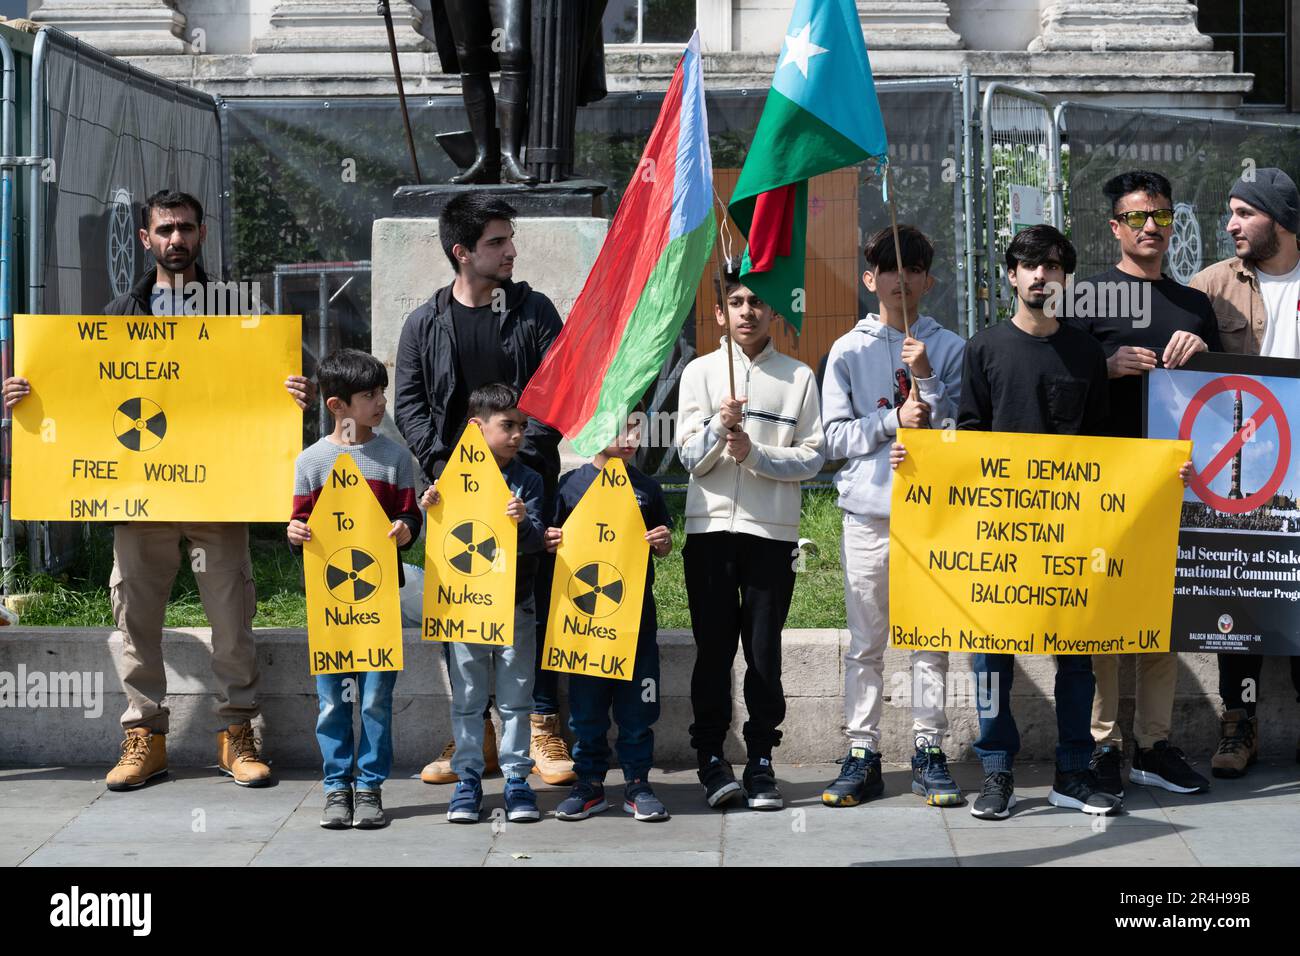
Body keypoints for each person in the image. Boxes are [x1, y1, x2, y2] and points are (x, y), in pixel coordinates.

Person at [3, 188, 314, 791]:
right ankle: (144, 736)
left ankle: (238, 734)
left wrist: (293, 392)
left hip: (220, 495)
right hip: (137, 495)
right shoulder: (117, 316)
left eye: (187, 229)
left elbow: (283, 381)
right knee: (136, 623)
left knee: (231, 620)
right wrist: (26, 397)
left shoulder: (241, 312)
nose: (177, 240)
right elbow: (85, 396)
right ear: (145, 239)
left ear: (202, 234)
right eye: (165, 230)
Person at [394, 192, 575, 786]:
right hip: (453, 496)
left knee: (532, 600)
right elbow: (411, 403)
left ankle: (542, 725)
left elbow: (559, 389)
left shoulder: (534, 312)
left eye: (508, 239)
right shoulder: (424, 323)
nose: (510, 251)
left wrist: (516, 451)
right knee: (461, 607)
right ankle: (477, 737)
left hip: (526, 485)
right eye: (496, 242)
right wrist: (449, 464)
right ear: (461, 252)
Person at [952, 225, 1118, 820]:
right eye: (1029, 265)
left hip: (1071, 534)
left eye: (1052, 266)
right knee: (990, 656)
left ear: (1065, 278)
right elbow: (967, 438)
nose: (1041, 275)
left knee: (1077, 657)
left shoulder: (1085, 354)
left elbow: (1103, 447)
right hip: (999, 533)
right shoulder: (984, 349)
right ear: (1012, 276)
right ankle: (995, 772)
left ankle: (1073, 773)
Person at [1068, 170, 1218, 797]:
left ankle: (1155, 745)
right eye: (1137, 218)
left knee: (1161, 619)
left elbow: (1221, 396)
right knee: (1105, 619)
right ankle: (1105, 746)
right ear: (1115, 227)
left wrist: (1204, 353)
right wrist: (1107, 367)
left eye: (1161, 216)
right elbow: (1060, 387)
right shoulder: (1087, 297)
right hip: (1102, 483)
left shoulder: (1195, 304)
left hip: (1169, 482)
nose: (1150, 227)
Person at [819, 225, 966, 808]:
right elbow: (830, 438)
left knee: (930, 639)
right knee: (866, 642)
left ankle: (929, 749)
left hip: (934, 517)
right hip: (869, 514)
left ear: (928, 280)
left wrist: (927, 376)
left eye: (912, 269)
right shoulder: (846, 350)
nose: (899, 279)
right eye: (887, 268)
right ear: (869, 278)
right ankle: (862, 752)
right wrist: (889, 424)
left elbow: (963, 434)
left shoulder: (949, 345)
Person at [676, 272, 825, 810]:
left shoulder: (799, 377)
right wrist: (720, 427)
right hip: (710, 532)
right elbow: (689, 458)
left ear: (773, 312)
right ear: (719, 313)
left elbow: (812, 455)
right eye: (735, 302)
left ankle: (761, 759)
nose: (746, 312)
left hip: (771, 535)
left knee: (764, 653)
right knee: (712, 650)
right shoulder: (698, 372)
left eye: (757, 302)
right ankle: (711, 760)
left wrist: (755, 455)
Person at [1190, 167, 1300, 776]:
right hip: (1242, 467)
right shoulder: (1210, 286)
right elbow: (1177, 360)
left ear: (1278, 220)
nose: (1230, 224)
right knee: (1241, 602)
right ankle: (1239, 725)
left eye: (1243, 213)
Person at [287, 349, 422, 829]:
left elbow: (411, 516)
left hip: (380, 604)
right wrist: (294, 534)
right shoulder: (311, 462)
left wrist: (408, 527)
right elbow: (301, 525)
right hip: (331, 610)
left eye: (381, 392)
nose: (380, 403)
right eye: (369, 396)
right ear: (336, 406)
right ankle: (335, 788)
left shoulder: (394, 458)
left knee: (375, 700)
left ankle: (370, 787)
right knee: (332, 702)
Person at [420, 383, 545, 823]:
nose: (517, 435)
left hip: (515, 607)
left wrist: (524, 522)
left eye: (523, 427)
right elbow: (435, 539)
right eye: (507, 425)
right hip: (465, 611)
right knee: (469, 698)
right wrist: (428, 507)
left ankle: (516, 780)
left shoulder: (528, 480)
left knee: (516, 699)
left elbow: (536, 544)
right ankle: (468, 779)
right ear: (477, 427)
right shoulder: (449, 477)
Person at [544, 410, 674, 822]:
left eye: (638, 427)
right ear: (594, 430)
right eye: (622, 427)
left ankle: (638, 783)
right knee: (586, 711)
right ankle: (589, 784)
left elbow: (665, 543)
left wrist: (663, 540)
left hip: (635, 623)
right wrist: (551, 539)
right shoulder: (571, 485)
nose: (632, 436)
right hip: (584, 626)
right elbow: (549, 538)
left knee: (638, 710)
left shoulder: (647, 488)